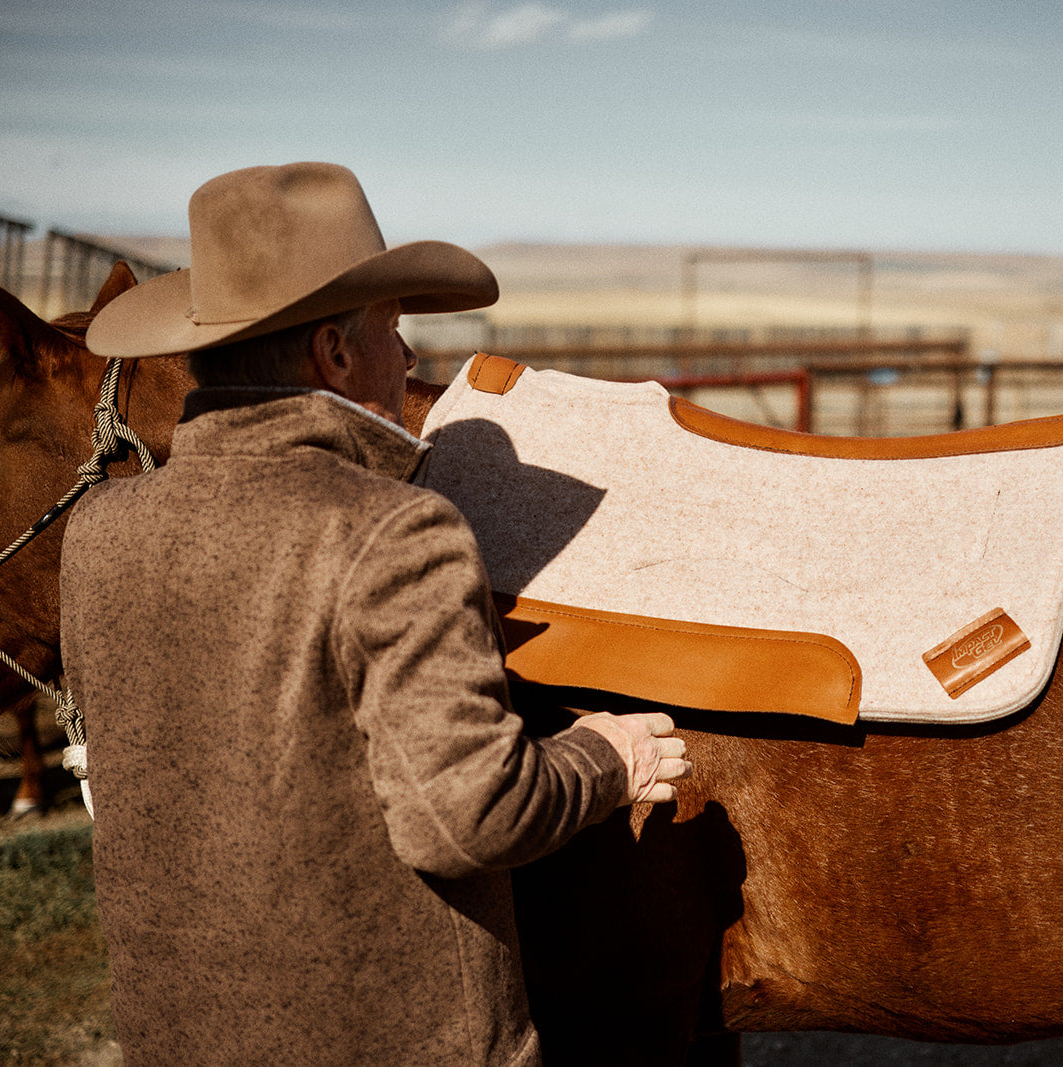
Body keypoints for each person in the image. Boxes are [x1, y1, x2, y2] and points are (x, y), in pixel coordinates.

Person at [63, 161, 690, 1066]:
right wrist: (605, 756)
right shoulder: (395, 530)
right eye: (395, 333)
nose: (411, 361)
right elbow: (466, 816)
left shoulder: (100, 530)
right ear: (336, 353)